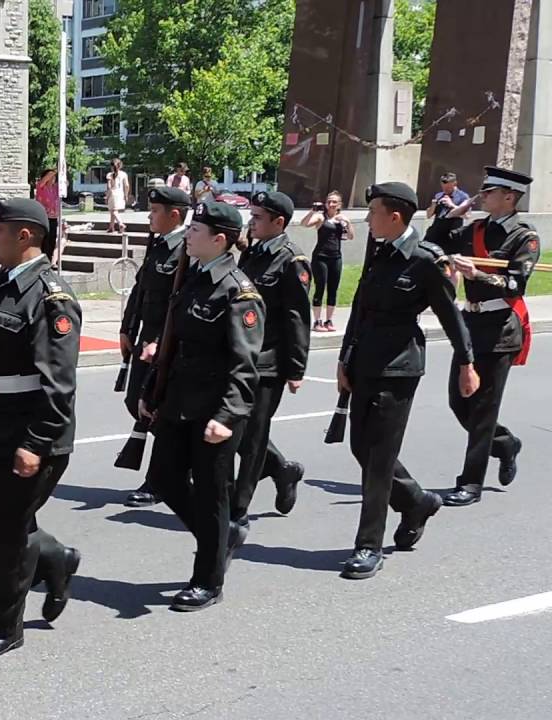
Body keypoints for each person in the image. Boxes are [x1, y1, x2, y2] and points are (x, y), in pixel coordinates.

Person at [0, 198, 82, 659]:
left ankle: (3, 628)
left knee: (8, 535)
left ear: (24, 236)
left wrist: (36, 442)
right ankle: (54, 558)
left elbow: (58, 382)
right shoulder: (6, 285)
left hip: (28, 431)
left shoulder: (51, 297)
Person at [336, 182, 478, 580]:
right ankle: (416, 501)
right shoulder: (379, 250)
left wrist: (467, 362)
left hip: (399, 368)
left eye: (373, 212)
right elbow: (360, 309)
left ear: (394, 216)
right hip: (365, 363)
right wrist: (344, 359)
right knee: (361, 448)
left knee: (379, 460)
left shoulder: (425, 259)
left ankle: (368, 545)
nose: (368, 219)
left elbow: (451, 316)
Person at [141, 201, 264, 611]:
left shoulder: (238, 291)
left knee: (213, 494)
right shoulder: (193, 276)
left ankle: (208, 580)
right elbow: (174, 343)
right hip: (179, 399)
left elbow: (245, 364)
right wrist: (151, 391)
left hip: (214, 407)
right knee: (163, 478)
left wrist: (226, 416)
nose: (188, 235)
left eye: (196, 230)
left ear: (220, 240)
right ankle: (221, 537)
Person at [428, 167, 539, 507]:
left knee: (484, 409)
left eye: (489, 192)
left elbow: (516, 284)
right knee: (459, 401)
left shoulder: (524, 236)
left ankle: (471, 483)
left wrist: (478, 274)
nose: (482, 197)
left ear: (509, 196)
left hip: (501, 328)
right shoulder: (475, 229)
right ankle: (504, 443)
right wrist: (451, 216)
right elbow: (434, 242)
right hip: (471, 324)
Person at [230, 192, 310, 547]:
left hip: (270, 361)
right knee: (240, 429)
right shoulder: (253, 252)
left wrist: (296, 368)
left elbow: (297, 317)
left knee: (253, 436)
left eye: (259, 217)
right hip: (244, 356)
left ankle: (239, 507)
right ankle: (281, 469)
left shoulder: (291, 260)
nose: (252, 222)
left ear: (279, 222)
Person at [117, 186, 190, 508]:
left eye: (155, 210)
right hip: (145, 337)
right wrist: (126, 329)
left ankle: (163, 479)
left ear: (174, 215)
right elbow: (141, 289)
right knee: (136, 402)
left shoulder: (186, 249)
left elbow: (181, 303)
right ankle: (273, 464)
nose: (150, 215)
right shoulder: (159, 243)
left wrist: (161, 342)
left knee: (158, 409)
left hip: (168, 341)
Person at [301, 191, 352, 331]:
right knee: (320, 287)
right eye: (329, 201)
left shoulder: (342, 220)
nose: (331, 204)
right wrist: (312, 211)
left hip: (336, 257)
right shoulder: (320, 217)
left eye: (334, 202)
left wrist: (348, 223)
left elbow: (350, 236)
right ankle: (317, 321)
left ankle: (329, 321)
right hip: (320, 257)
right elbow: (304, 224)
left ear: (339, 204)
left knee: (333, 289)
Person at [34, 167, 60, 240]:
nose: (53, 178)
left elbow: (66, 183)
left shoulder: (55, 188)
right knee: (45, 238)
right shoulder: (41, 186)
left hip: (54, 217)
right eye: (51, 176)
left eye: (54, 176)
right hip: (44, 217)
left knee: (52, 238)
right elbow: (45, 179)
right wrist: (55, 170)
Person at [105, 158, 130, 234]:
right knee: (113, 211)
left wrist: (107, 196)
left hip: (113, 193)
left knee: (113, 211)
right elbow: (127, 185)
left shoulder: (109, 175)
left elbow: (109, 187)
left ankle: (121, 224)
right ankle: (111, 227)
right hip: (120, 193)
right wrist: (126, 195)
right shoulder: (124, 174)